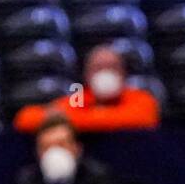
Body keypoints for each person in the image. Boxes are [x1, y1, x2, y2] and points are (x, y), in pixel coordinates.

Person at [13, 44, 159, 133]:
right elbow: (25, 119)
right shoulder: (80, 99)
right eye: (98, 68)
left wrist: (73, 121)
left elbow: (142, 119)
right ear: (87, 75)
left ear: (124, 73)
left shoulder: (141, 98)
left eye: (112, 67)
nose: (105, 73)